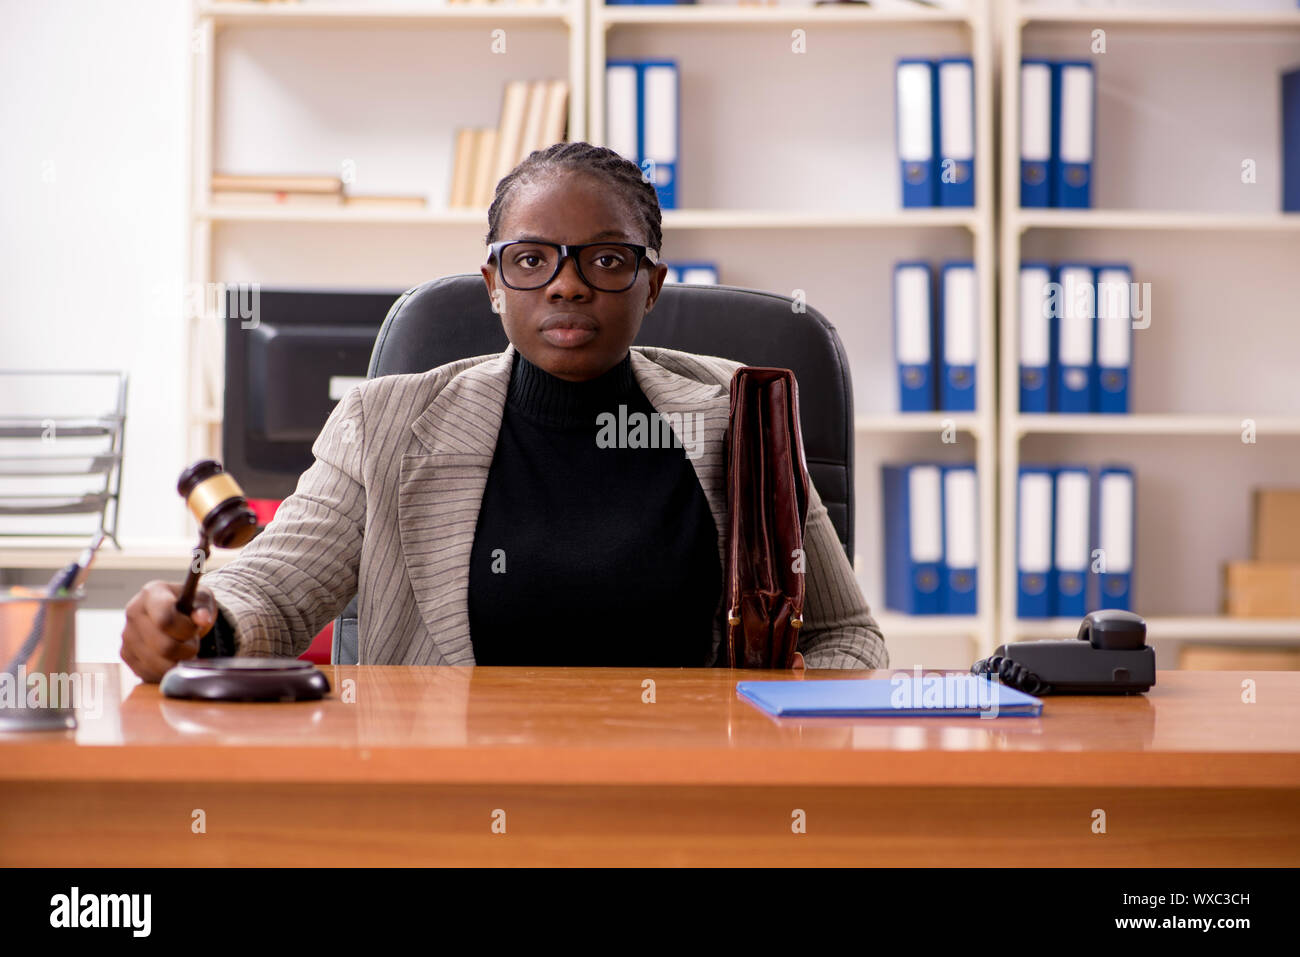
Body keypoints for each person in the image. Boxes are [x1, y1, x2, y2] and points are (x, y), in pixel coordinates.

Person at [120, 142, 888, 681]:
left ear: (652, 285)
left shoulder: (739, 415)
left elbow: (845, 635)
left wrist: (762, 731)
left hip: (692, 799)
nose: (567, 285)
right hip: (449, 800)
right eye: (531, 259)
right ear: (492, 282)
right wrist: (203, 625)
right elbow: (276, 590)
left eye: (606, 259)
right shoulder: (383, 424)